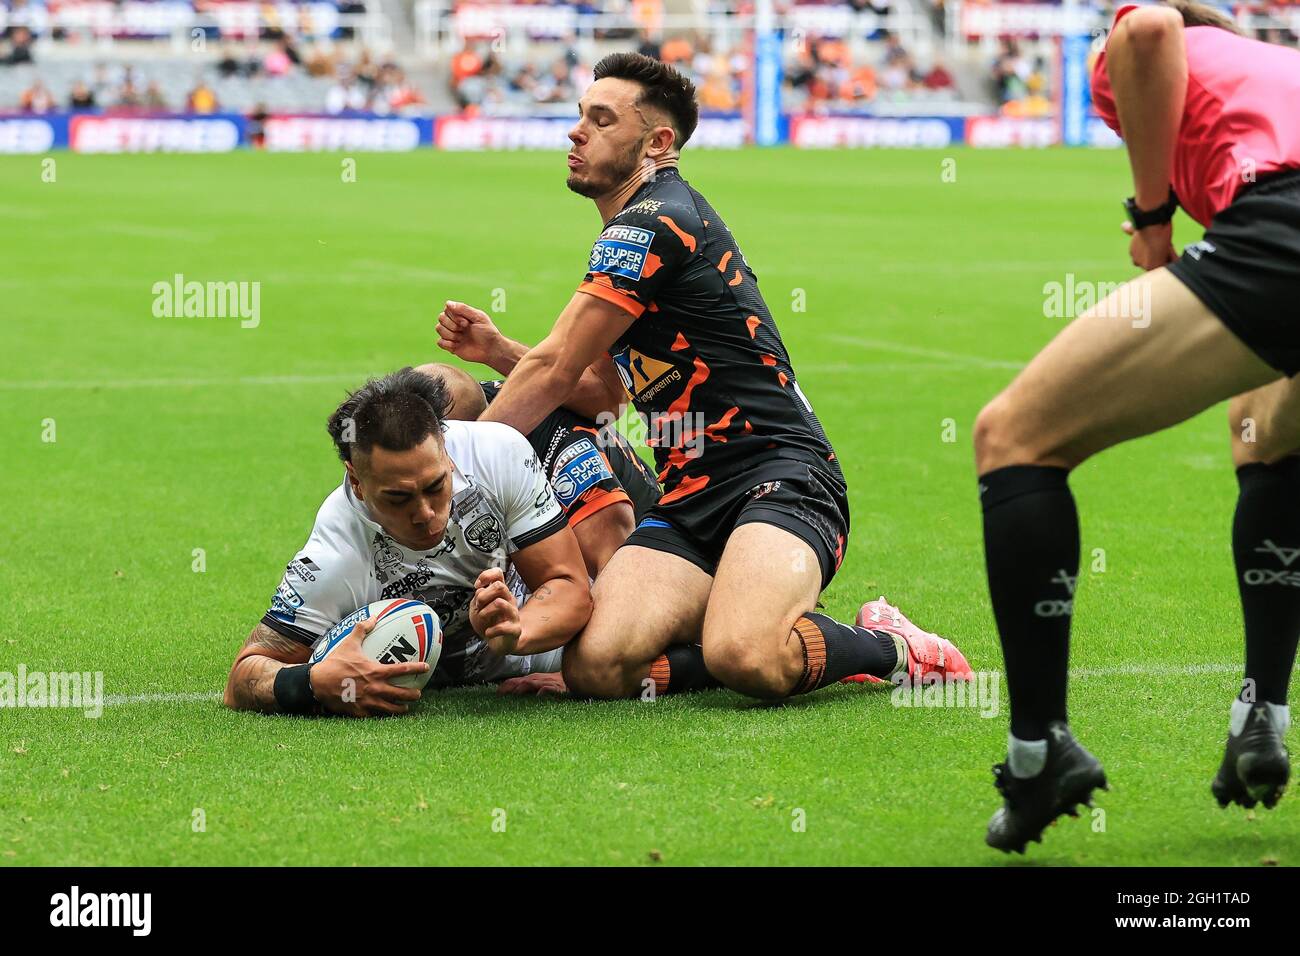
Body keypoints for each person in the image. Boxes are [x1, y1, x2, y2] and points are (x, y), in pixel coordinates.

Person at [471, 52, 972, 704]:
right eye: (579, 117)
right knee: (594, 668)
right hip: (691, 498)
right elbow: (595, 391)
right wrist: (496, 347)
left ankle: (893, 646)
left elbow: (556, 365)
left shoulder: (656, 221)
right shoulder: (636, 229)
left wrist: (460, 469)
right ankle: (736, 613)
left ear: (658, 143)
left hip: (784, 478)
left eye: (600, 119)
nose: (577, 132)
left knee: (747, 655)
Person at [974, 1, 1300, 852]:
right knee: (1266, 432)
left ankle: (1037, 750)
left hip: (1285, 229)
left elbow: (1147, 28)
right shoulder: (1274, 69)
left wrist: (1153, 222)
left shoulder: (1162, 42)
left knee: (1014, 438)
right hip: (1275, 236)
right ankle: (1262, 711)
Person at [222, 368, 592, 717]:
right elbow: (243, 678)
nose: (426, 514)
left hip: (543, 654)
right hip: (432, 684)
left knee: (604, 650)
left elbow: (568, 586)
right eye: (398, 499)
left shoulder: (496, 454)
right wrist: (312, 682)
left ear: (445, 450)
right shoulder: (334, 556)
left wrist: (516, 631)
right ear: (357, 483)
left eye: (435, 487)